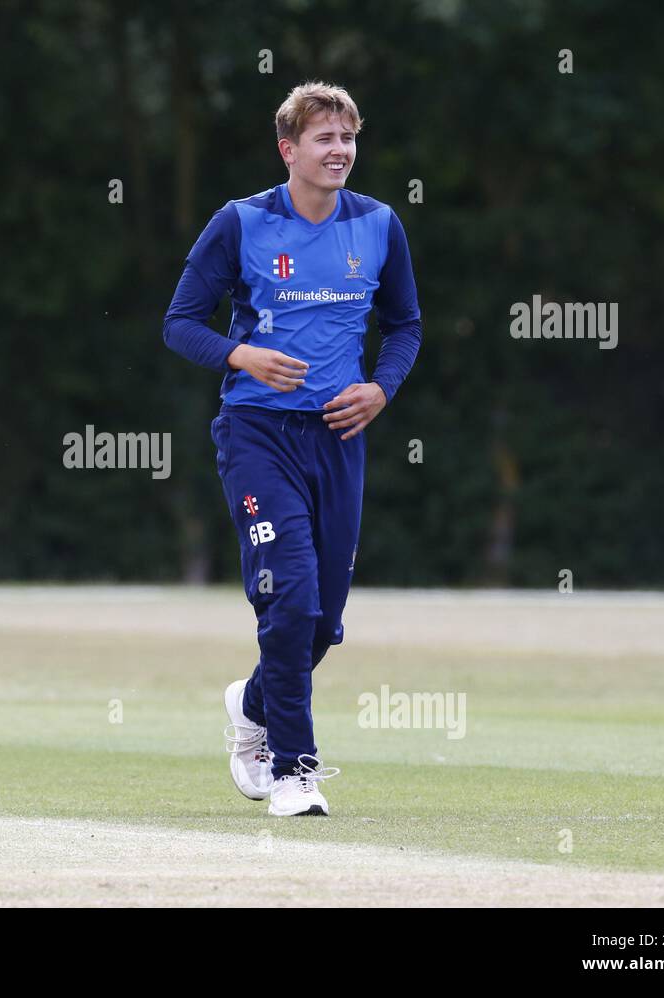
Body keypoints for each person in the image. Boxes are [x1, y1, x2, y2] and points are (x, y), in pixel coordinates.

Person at [162, 81, 422, 816]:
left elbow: (405, 326)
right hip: (257, 435)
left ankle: (250, 705)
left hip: (338, 440)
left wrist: (381, 389)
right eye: (324, 139)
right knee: (290, 592)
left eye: (348, 138)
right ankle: (292, 771)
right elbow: (180, 324)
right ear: (289, 150)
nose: (340, 151)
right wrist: (241, 357)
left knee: (322, 623)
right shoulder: (241, 223)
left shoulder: (378, 225)